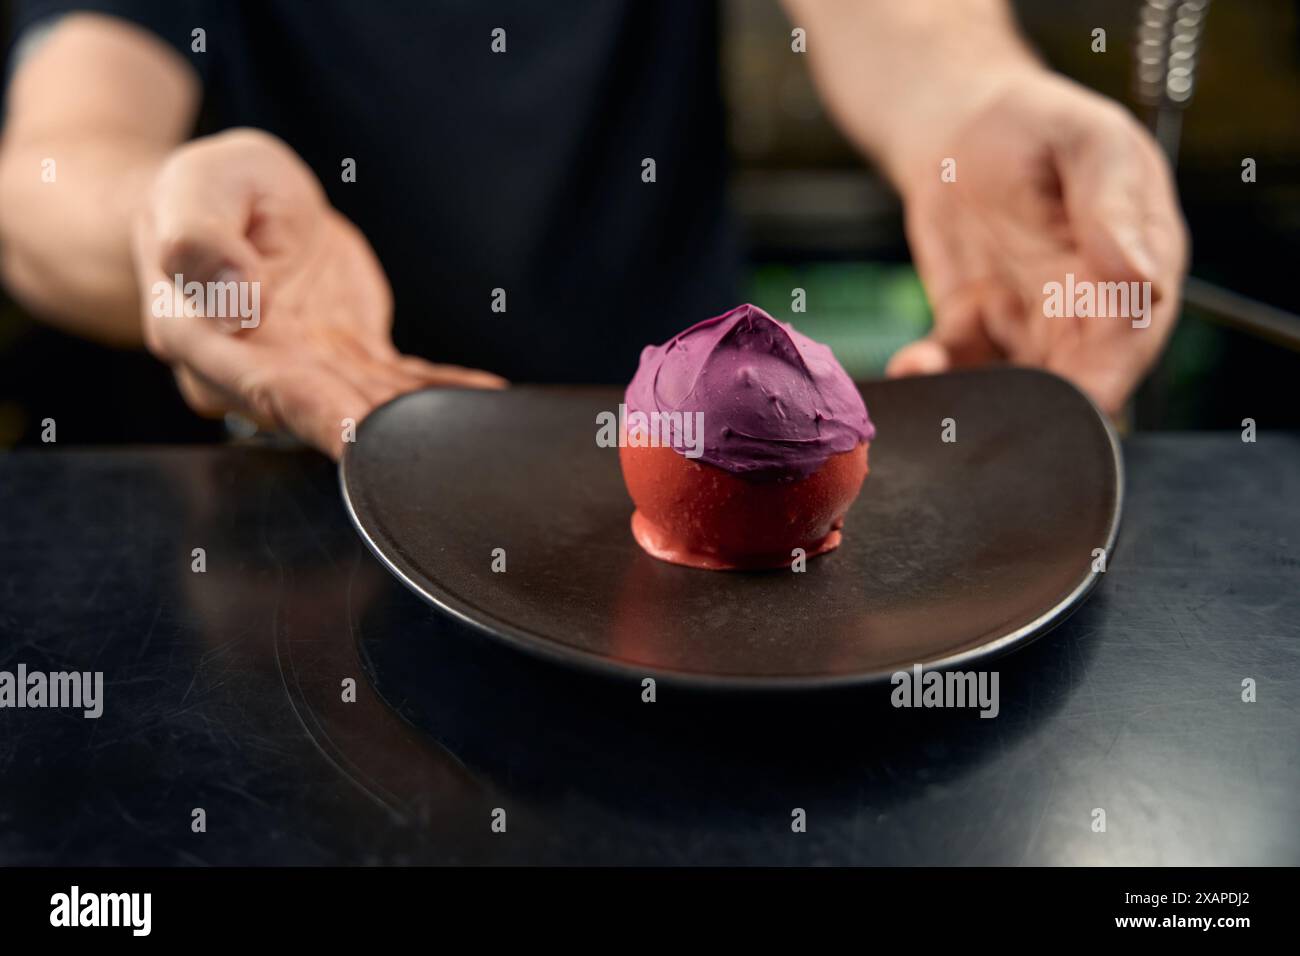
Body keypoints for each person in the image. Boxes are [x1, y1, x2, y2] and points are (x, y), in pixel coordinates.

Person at [0, 0, 1187, 458]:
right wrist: (160, 223)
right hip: (262, 496)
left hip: (677, 469)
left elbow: (901, 27)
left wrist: (979, 104)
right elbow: (56, 158)